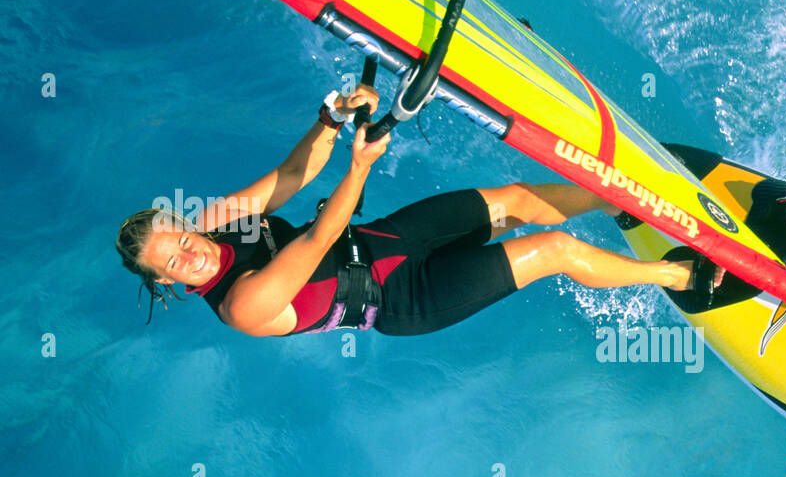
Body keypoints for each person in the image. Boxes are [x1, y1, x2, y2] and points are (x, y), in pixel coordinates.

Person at [115, 85, 723, 335]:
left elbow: (291, 176)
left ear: (184, 224)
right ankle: (684, 274)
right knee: (553, 252)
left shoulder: (217, 225)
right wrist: (361, 164)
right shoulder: (242, 306)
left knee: (516, 200)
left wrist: (332, 117)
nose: (189, 254)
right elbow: (318, 236)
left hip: (384, 238)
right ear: (166, 280)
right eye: (173, 261)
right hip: (406, 296)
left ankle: (624, 197)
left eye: (180, 238)